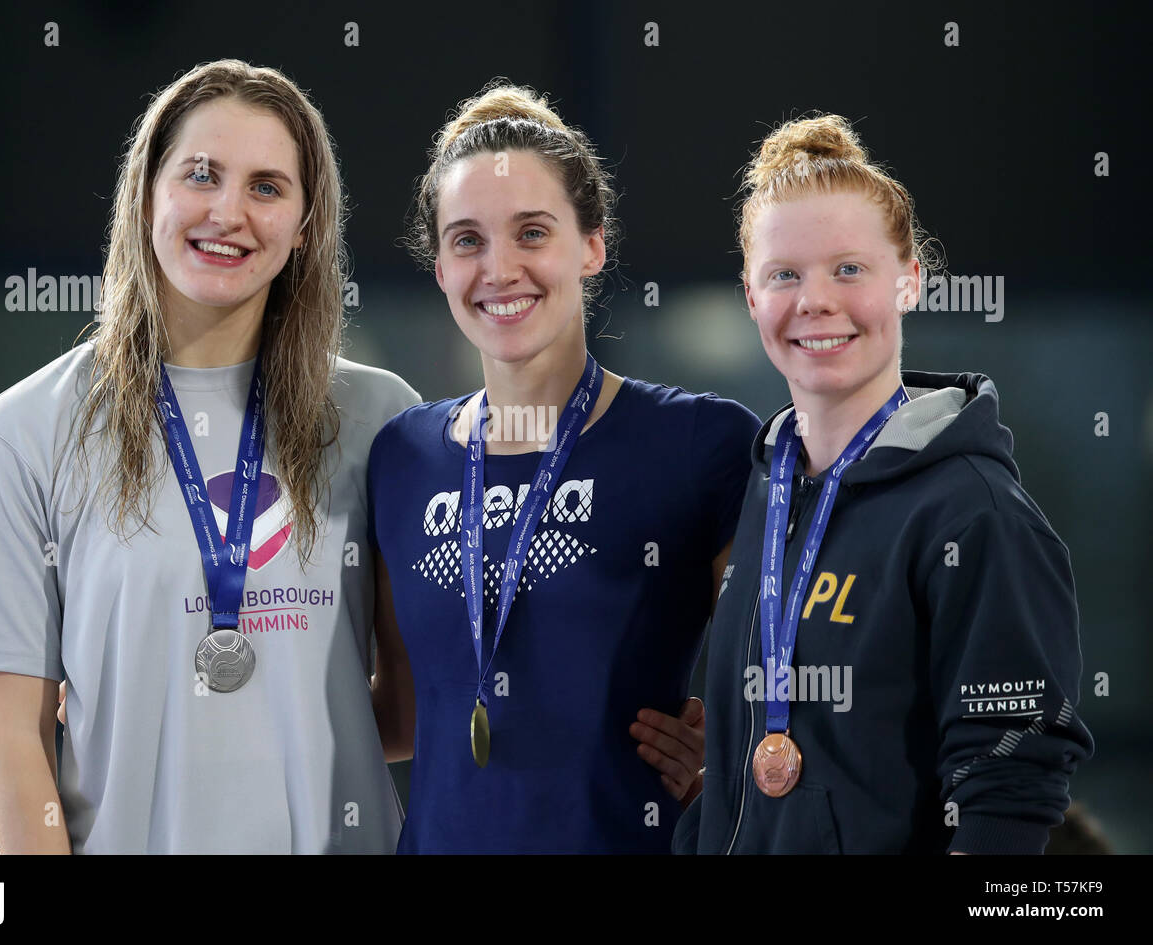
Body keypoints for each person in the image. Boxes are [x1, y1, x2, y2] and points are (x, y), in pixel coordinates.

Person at [0, 59, 419, 854]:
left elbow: (414, 710)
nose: (229, 212)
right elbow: (12, 749)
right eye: (201, 175)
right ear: (146, 195)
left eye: (267, 186)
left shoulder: (381, 418)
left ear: (304, 225)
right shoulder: (24, 433)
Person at [673, 114, 1094, 855]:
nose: (815, 301)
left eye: (848, 269)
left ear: (909, 282)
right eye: (784, 275)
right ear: (750, 295)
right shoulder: (763, 490)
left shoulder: (976, 513)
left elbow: (1009, 787)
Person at [365, 84, 761, 853]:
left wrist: (735, 764)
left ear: (592, 245)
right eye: (467, 239)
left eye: (532, 232)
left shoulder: (700, 444)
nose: (499, 267)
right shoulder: (401, 456)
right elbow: (406, 714)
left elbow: (790, 685)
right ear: (440, 266)